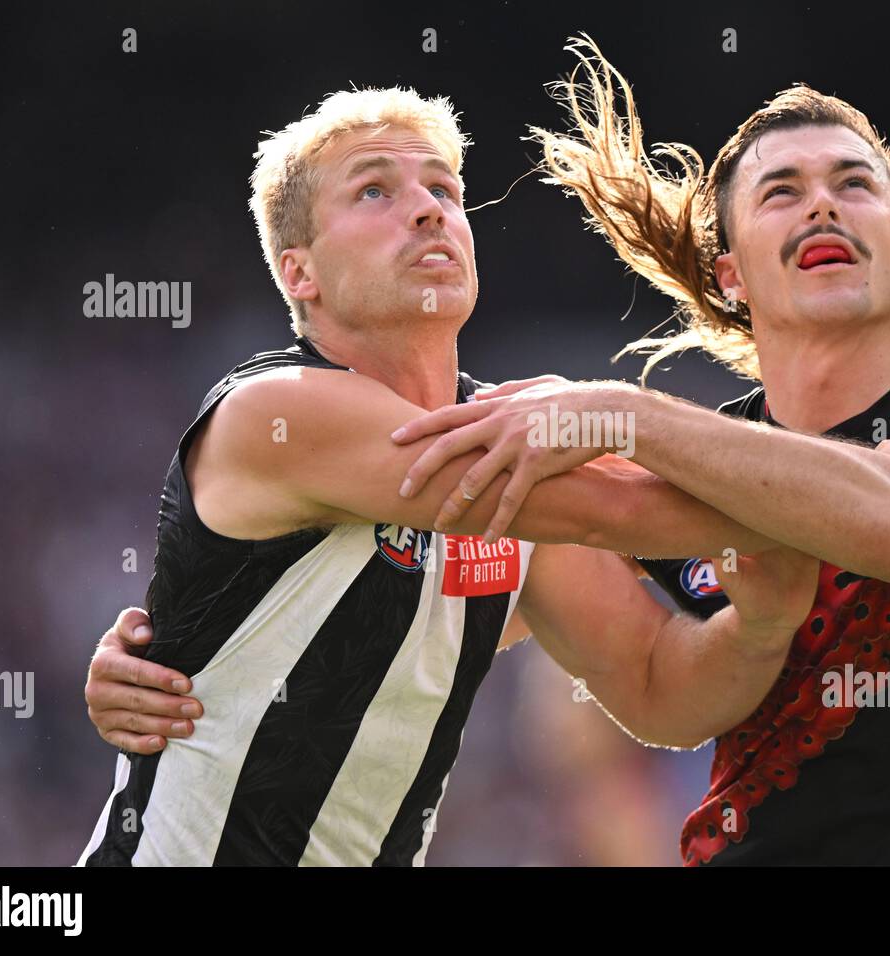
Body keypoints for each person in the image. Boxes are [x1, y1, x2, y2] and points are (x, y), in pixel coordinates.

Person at [388, 37, 890, 865]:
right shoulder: (677, 474)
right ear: (730, 276)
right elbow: (448, 606)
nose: (821, 207)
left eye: (854, 185)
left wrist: (620, 412)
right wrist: (199, 660)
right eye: (782, 192)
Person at [77, 84, 819, 867]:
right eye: (374, 190)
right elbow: (621, 513)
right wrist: (811, 502)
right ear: (300, 273)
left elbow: (656, 685)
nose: (429, 209)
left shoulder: (512, 447)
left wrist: (763, 621)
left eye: (444, 189)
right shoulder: (278, 415)